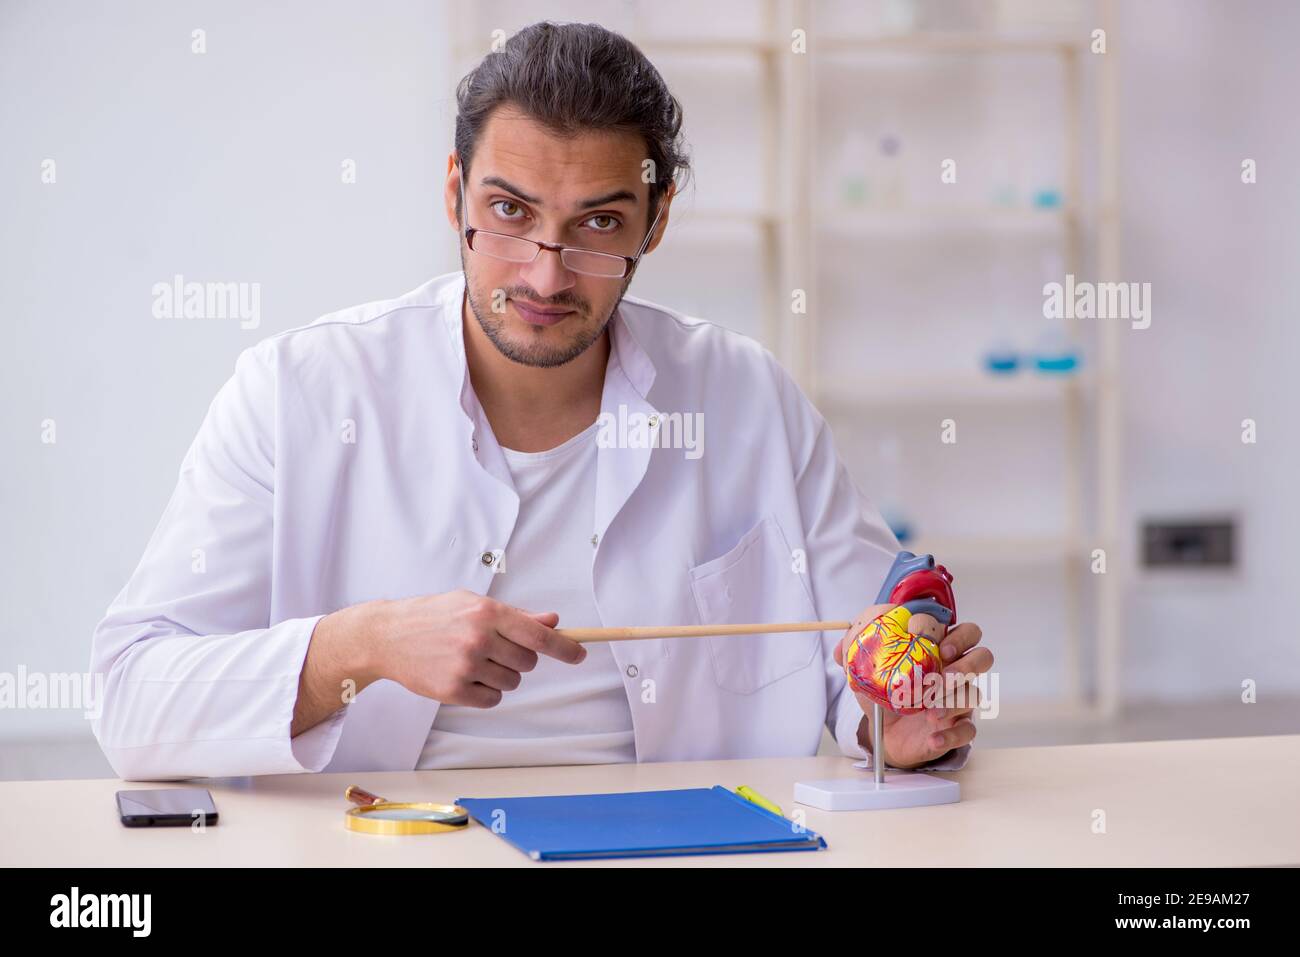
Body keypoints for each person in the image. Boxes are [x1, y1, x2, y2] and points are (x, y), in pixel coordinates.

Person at [90, 20, 991, 780]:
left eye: (598, 223)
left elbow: (860, 649)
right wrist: (357, 646)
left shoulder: (747, 396)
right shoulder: (297, 393)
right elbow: (130, 697)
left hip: (693, 846)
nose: (546, 273)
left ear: (657, 219)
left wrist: (896, 721)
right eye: (511, 212)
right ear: (455, 194)